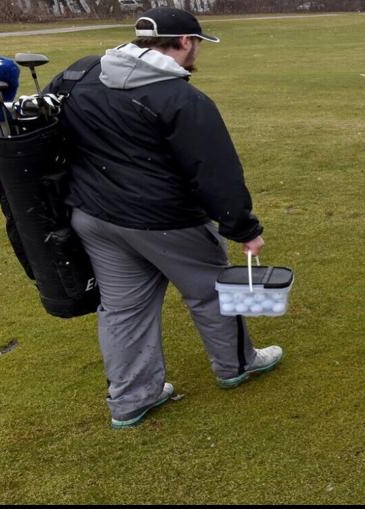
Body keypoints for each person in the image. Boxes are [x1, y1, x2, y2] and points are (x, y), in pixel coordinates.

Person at [49, 8, 280, 428]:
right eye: (197, 44)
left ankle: (131, 399)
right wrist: (243, 228)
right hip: (166, 223)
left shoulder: (81, 74)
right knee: (211, 294)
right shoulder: (183, 99)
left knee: (123, 310)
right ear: (186, 42)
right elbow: (215, 172)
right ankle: (237, 366)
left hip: (93, 218)